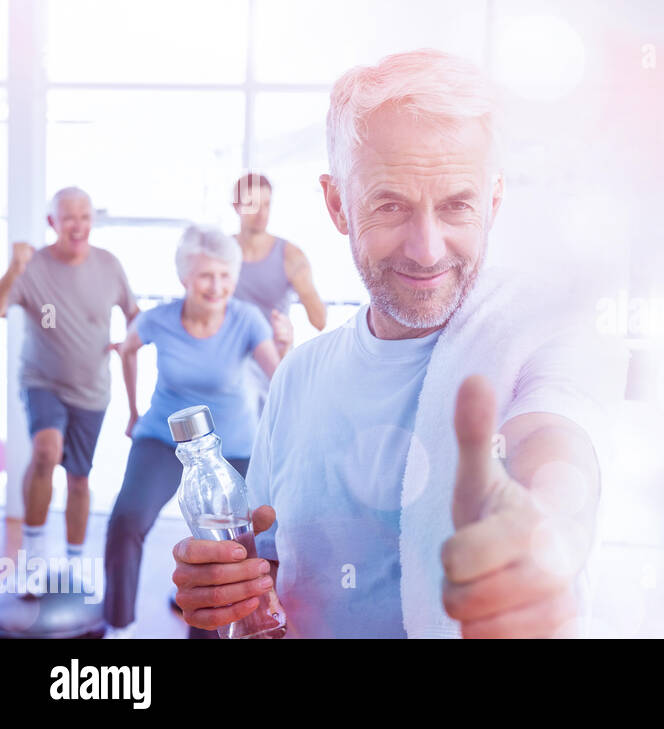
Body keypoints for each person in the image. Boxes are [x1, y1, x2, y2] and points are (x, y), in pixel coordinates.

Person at [170, 48, 626, 638]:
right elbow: (274, 569)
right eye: (391, 205)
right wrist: (227, 590)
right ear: (337, 204)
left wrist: (544, 533)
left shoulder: (546, 340)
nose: (427, 249)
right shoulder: (298, 377)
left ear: (492, 200)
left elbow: (554, 439)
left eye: (457, 204)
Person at [104, 225, 284, 639]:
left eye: (225, 275)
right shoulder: (159, 319)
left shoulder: (246, 320)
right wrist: (132, 411)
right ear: (185, 276)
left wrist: (288, 349)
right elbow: (127, 349)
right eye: (206, 275)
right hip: (164, 440)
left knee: (222, 549)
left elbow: (279, 376)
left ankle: (210, 633)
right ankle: (118, 626)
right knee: (126, 519)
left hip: (234, 445)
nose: (217, 286)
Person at [0, 187, 138, 570]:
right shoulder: (33, 267)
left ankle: (75, 562)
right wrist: (13, 266)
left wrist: (129, 340)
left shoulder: (109, 265)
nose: (78, 226)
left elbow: (134, 314)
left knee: (79, 478)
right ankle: (33, 554)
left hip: (92, 389)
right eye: (68, 218)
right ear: (52, 223)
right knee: (46, 452)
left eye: (85, 216)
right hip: (42, 381)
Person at [231, 172, 326, 414]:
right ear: (236, 206)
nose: (262, 213)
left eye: (267, 204)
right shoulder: (221, 254)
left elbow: (319, 320)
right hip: (230, 361)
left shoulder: (291, 256)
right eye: (253, 204)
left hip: (274, 358)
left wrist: (304, 287)